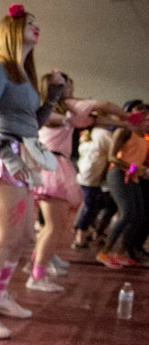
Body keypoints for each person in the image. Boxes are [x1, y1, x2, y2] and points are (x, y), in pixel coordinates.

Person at [0, 4, 65, 339]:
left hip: (24, 157)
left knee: (22, 238)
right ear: (12, 29)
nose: (37, 28)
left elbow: (31, 125)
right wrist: (8, 155)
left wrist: (51, 100)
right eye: (30, 23)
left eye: (37, 23)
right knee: (6, 237)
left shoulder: (24, 79)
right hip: (5, 157)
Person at [29, 74, 127, 291]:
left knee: (51, 227)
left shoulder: (53, 108)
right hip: (53, 166)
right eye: (66, 85)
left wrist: (127, 123)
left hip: (49, 164)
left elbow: (96, 119)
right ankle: (37, 275)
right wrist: (127, 117)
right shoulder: (63, 107)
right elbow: (104, 107)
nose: (71, 88)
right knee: (54, 227)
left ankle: (38, 266)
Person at [96, 107, 148, 267]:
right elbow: (113, 156)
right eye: (146, 120)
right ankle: (105, 251)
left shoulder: (143, 138)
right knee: (127, 213)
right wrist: (133, 168)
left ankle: (121, 251)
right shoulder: (124, 131)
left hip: (132, 176)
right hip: (119, 174)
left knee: (138, 214)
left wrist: (140, 169)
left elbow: (140, 161)